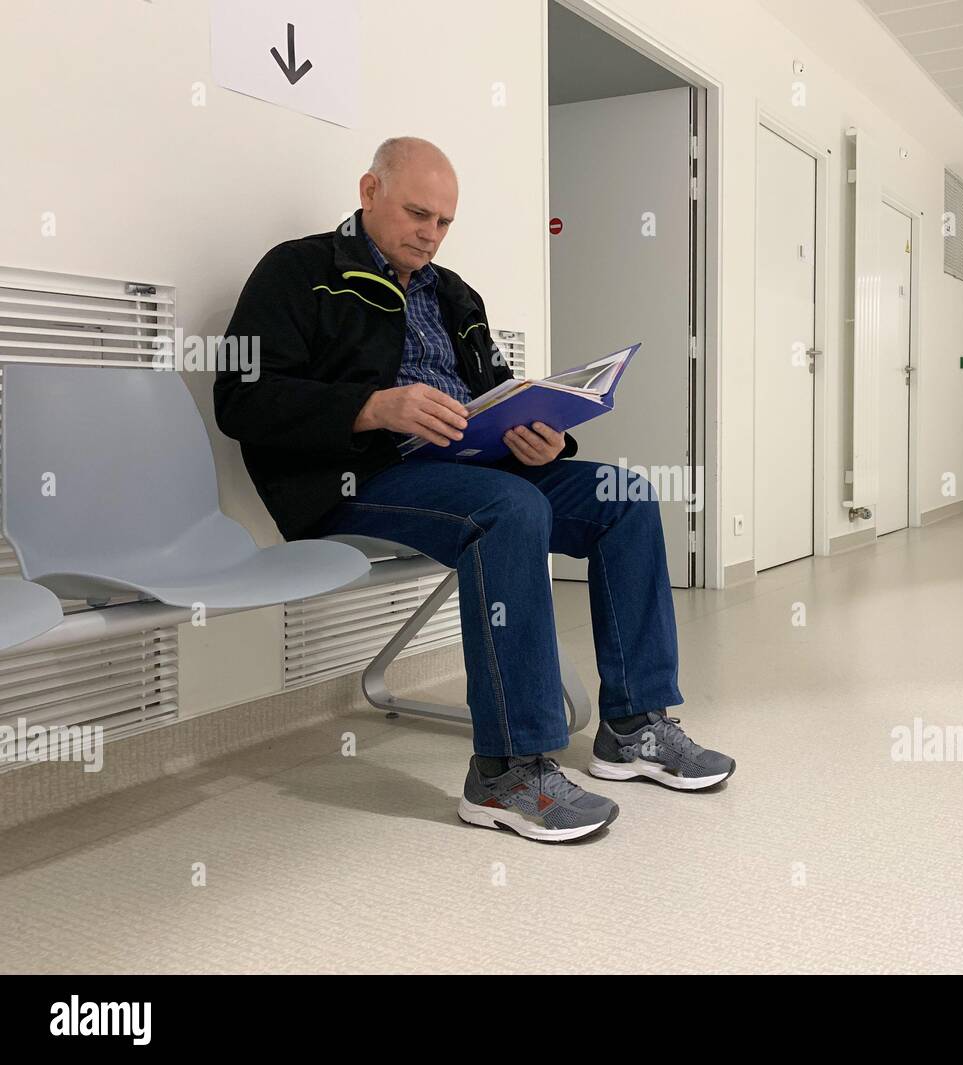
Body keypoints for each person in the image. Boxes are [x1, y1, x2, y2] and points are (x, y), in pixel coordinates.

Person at [214, 137, 734, 843]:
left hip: (471, 468)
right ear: (369, 191)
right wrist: (373, 407)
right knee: (511, 507)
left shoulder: (455, 293)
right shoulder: (298, 271)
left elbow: (495, 393)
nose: (431, 233)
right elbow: (241, 400)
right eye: (417, 213)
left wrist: (544, 436)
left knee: (623, 492)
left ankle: (635, 727)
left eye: (444, 222)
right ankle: (507, 772)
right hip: (356, 480)